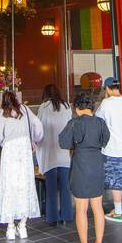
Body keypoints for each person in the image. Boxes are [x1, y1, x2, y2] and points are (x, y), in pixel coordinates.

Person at [61, 91, 110, 243]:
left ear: (77, 107)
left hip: (80, 164)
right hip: (97, 163)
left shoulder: (74, 123)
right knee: (98, 207)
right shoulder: (100, 122)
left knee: (81, 209)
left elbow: (63, 142)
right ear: (92, 107)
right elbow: (105, 140)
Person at [0, 89, 42, 239]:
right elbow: (37, 124)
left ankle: (11, 227)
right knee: (25, 185)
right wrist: (34, 139)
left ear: (2, 101)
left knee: (9, 185)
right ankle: (23, 225)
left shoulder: (0, 114)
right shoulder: (25, 110)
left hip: (10, 151)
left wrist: (3, 142)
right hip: (24, 150)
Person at [99, 79, 122, 223]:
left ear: (107, 88)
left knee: (115, 179)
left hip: (112, 148)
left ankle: (118, 212)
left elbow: (98, 120)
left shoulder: (105, 103)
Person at [35, 84, 73, 226]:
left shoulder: (44, 107)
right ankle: (67, 215)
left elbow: (38, 127)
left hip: (49, 150)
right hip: (64, 150)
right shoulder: (66, 106)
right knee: (65, 185)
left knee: (50, 186)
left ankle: (52, 217)